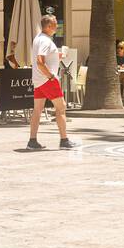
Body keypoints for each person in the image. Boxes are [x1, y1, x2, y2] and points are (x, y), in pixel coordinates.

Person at [27, 13, 73, 151]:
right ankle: (64, 140)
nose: (57, 26)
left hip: (38, 80)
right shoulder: (46, 41)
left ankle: (32, 141)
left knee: (37, 110)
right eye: (55, 24)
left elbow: (43, 59)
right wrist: (51, 76)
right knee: (61, 107)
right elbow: (40, 62)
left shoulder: (39, 38)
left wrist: (57, 56)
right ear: (48, 26)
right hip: (47, 80)